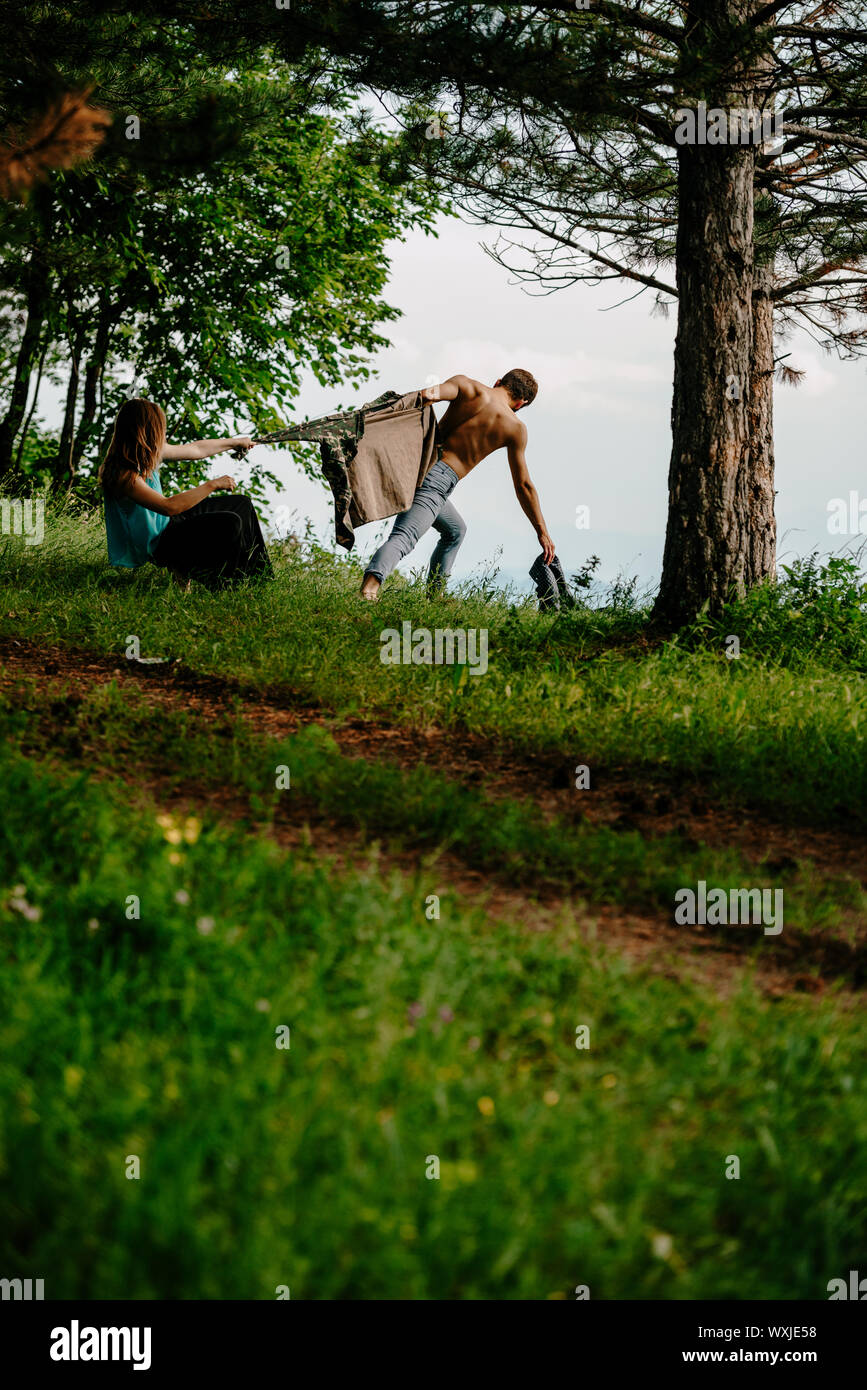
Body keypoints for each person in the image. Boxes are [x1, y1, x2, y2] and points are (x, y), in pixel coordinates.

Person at [360, 368, 555, 600]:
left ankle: (435, 598)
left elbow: (427, 395)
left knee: (455, 531)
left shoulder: (466, 385)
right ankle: (368, 591)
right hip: (438, 479)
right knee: (405, 536)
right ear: (520, 404)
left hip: (415, 464)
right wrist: (542, 531)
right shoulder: (515, 428)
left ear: (499, 381)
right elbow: (523, 485)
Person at [99, 398, 272, 587]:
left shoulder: (149, 454)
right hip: (160, 544)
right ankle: (226, 584)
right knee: (230, 523)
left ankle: (259, 579)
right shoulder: (123, 475)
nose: (163, 436)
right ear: (145, 432)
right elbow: (168, 507)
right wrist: (212, 485)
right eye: (160, 430)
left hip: (170, 525)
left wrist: (235, 442)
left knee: (241, 504)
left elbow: (197, 449)